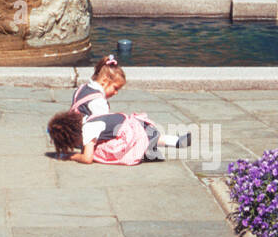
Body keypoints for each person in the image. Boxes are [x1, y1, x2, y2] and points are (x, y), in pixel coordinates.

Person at [47, 56, 191, 165]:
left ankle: (169, 144)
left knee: (144, 135)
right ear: (104, 82)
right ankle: (170, 143)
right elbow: (92, 148)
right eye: (115, 88)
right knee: (136, 138)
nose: (116, 93)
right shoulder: (98, 103)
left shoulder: (82, 89)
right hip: (110, 132)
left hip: (106, 130)